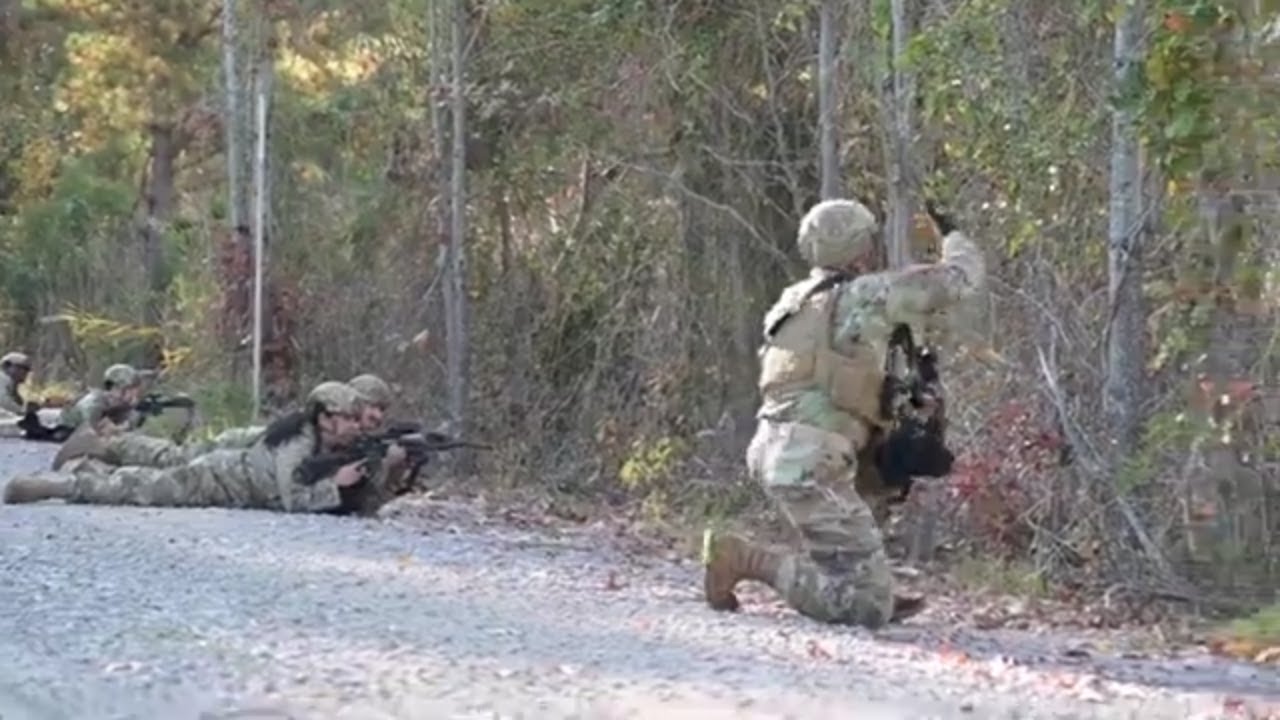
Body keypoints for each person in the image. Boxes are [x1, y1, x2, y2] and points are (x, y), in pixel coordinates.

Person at [701, 197, 985, 628]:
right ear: (861, 250)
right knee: (865, 610)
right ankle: (748, 560)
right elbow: (957, 280)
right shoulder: (868, 295)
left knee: (880, 472)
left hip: (778, 449)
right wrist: (955, 236)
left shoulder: (793, 302)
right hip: (811, 462)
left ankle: (863, 580)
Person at [2, 381, 369, 513]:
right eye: (350, 419)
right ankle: (61, 485)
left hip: (224, 472)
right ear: (326, 417)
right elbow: (293, 500)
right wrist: (335, 486)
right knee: (143, 489)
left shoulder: (311, 436)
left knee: (152, 474)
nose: (356, 426)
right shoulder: (299, 441)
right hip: (217, 480)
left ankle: (93, 464)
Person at [56, 363, 145, 435]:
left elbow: (131, 421)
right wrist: (118, 429)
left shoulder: (120, 405)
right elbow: (92, 434)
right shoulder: (92, 404)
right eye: (131, 389)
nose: (134, 395)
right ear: (116, 389)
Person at [0, 352, 31, 417]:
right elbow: (3, 402)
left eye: (28, 369)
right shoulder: (2, 379)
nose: (26, 372)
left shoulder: (11, 385)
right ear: (6, 366)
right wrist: (23, 410)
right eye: (23, 368)